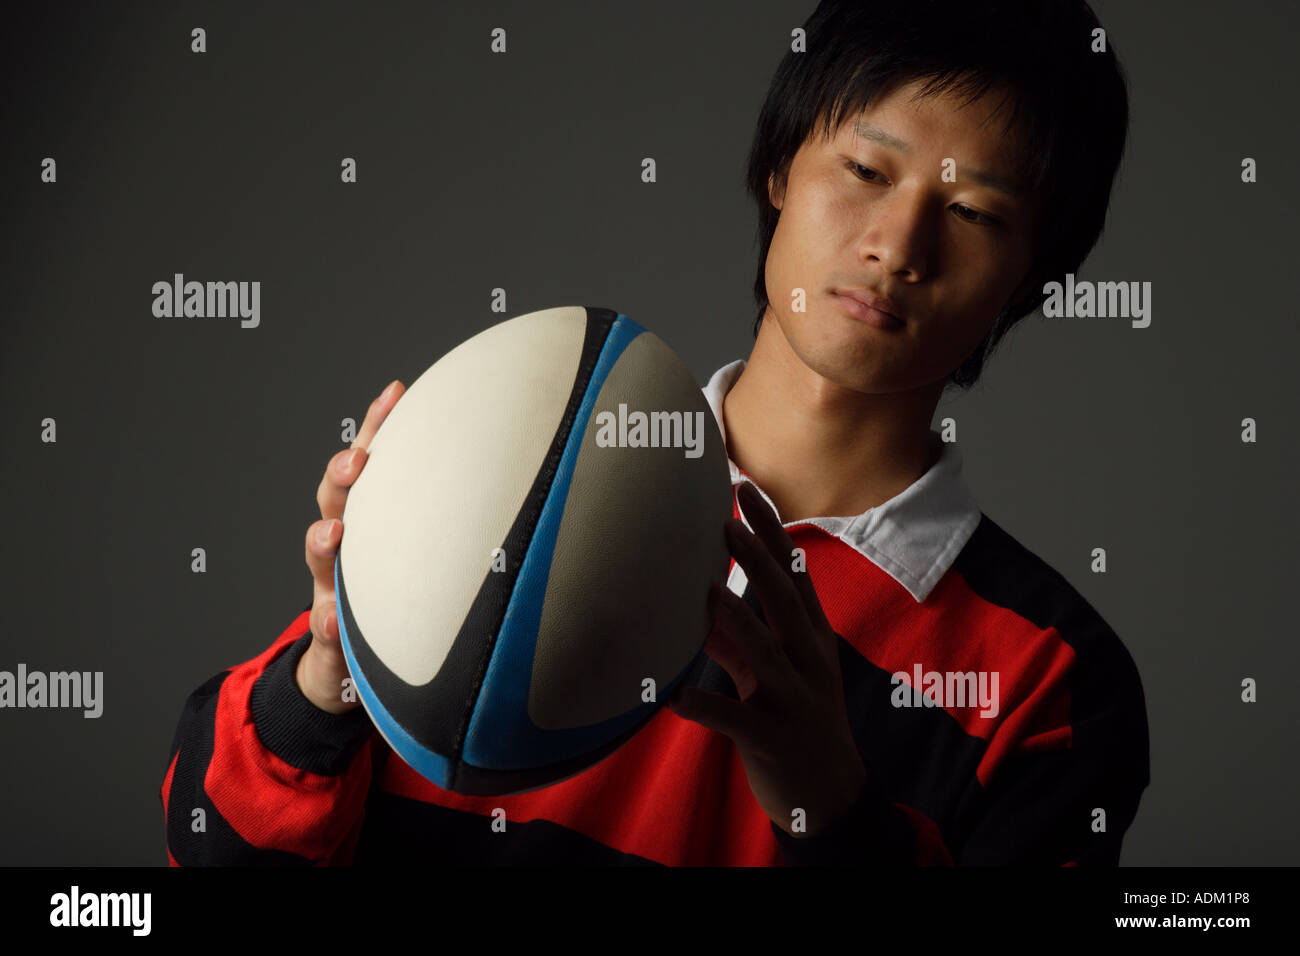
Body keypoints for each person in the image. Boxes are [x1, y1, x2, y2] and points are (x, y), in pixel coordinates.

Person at [160, 0, 1149, 866]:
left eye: (973, 211)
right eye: (863, 168)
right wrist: (331, 673)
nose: (896, 244)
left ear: (1032, 277)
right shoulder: (519, 462)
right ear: (776, 165)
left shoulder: (1047, 680)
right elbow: (207, 850)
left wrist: (833, 815)